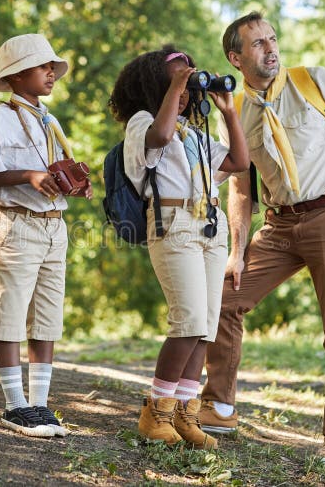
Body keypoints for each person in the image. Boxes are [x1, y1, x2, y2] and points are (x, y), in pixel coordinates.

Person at [199, 12, 325, 469]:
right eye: (256, 43)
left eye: (272, 39)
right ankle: (220, 406)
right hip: (280, 225)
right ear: (235, 57)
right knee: (225, 298)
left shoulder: (314, 81)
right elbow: (242, 187)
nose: (270, 48)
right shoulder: (240, 111)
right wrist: (236, 251)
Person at [109, 45, 249, 448]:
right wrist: (175, 88)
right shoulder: (143, 122)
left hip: (209, 225)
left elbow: (239, 162)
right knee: (187, 319)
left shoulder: (196, 130)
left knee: (204, 326)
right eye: (176, 77)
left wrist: (229, 112)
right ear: (156, 82)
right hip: (173, 224)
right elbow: (161, 135)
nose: (186, 85)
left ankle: (185, 412)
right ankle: (156, 410)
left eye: (189, 78)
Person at [0, 33, 92, 438]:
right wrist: (29, 176)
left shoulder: (50, 120)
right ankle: (14, 405)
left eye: (51, 67)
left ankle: (40, 405)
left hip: (52, 225)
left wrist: (71, 182)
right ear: (14, 76)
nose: (51, 74)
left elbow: (50, 170)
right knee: (10, 311)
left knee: (47, 314)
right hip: (17, 221)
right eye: (43, 67)